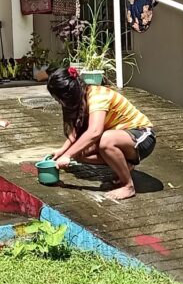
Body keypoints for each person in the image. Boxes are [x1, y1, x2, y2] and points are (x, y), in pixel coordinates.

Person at [46, 67, 156, 200]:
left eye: (58, 98)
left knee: (106, 140)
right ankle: (126, 165)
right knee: (80, 153)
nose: (58, 102)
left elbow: (95, 132)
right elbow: (76, 131)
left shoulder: (97, 96)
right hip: (122, 138)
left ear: (68, 94)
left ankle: (128, 186)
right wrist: (63, 151)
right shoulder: (81, 98)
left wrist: (68, 155)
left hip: (142, 136)